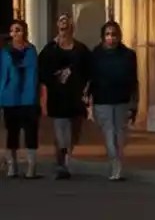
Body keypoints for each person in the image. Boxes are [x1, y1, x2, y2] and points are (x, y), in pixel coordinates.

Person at [39, 12, 92, 179]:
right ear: (57, 26)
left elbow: (89, 73)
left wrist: (88, 94)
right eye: (61, 22)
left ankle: (67, 156)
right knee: (61, 133)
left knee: (74, 133)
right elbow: (42, 75)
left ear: (71, 27)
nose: (64, 26)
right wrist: (43, 98)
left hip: (76, 98)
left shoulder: (81, 49)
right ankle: (61, 164)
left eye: (66, 23)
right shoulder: (50, 49)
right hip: (57, 98)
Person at [88, 21, 138, 181]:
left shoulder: (128, 55)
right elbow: (91, 78)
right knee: (109, 133)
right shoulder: (96, 55)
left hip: (122, 100)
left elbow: (133, 80)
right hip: (102, 100)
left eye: (114, 34)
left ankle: (118, 164)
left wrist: (134, 104)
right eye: (108, 34)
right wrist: (88, 99)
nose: (111, 38)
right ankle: (114, 163)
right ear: (103, 36)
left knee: (120, 134)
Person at [0, 19, 40, 178]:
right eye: (12, 31)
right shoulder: (5, 52)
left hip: (29, 98)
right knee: (12, 132)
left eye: (18, 30)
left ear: (24, 32)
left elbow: (35, 73)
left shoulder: (31, 51)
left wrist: (37, 95)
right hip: (10, 98)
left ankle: (31, 166)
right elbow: (3, 75)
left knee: (31, 132)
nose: (15, 33)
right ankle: (12, 165)